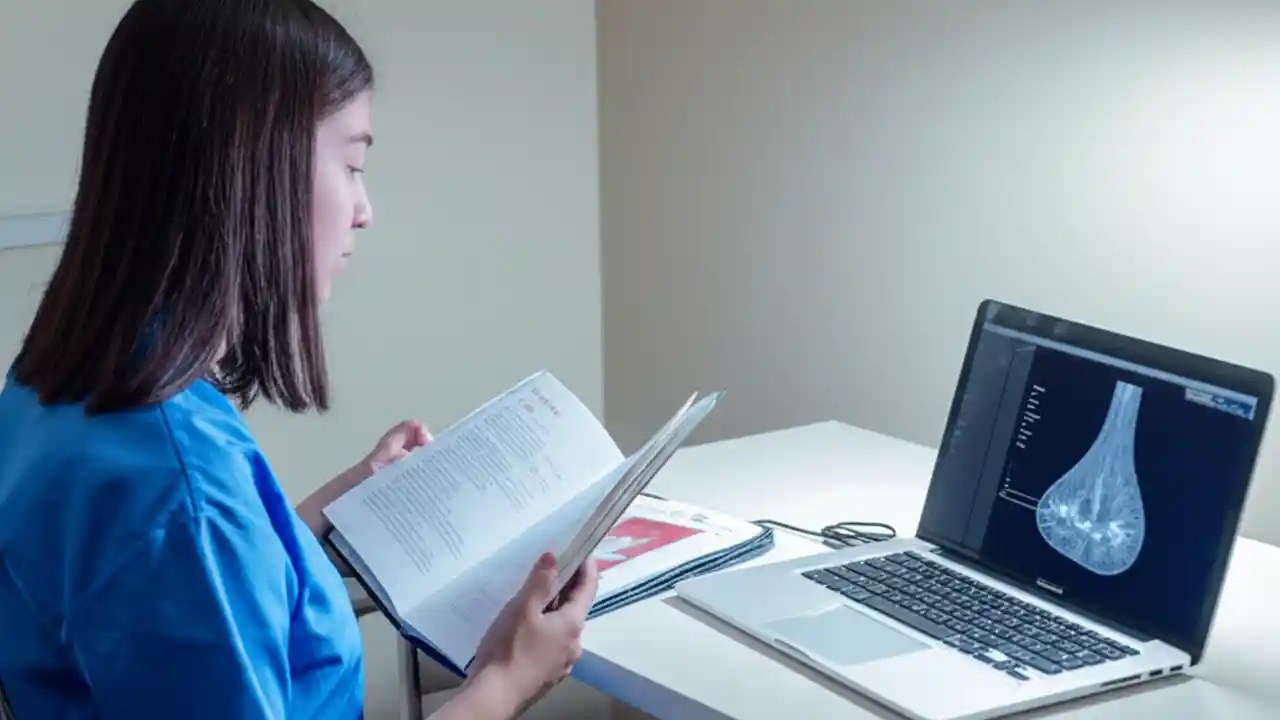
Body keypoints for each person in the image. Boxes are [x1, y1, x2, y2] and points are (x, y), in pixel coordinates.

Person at [0, 0, 597, 718]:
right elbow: (189, 545)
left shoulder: (62, 389)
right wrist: (506, 681)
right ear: (250, 161)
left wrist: (329, 511)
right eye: (352, 163)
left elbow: (187, 591)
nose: (363, 208)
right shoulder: (179, 485)